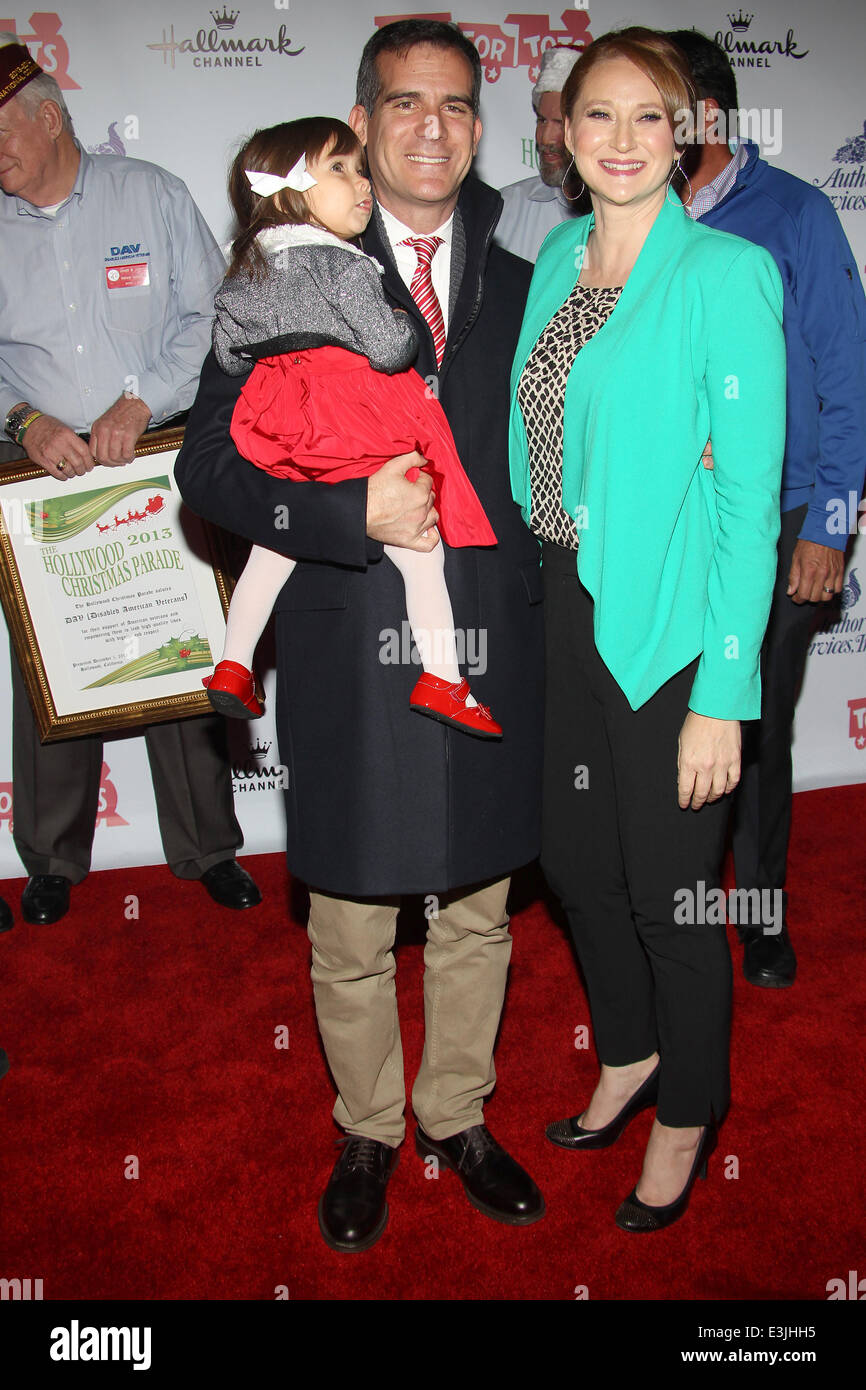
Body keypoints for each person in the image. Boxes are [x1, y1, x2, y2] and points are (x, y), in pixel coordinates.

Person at [176, 19, 545, 1252]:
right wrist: (341, 512)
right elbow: (211, 469)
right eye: (402, 104)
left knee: (479, 908)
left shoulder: (525, 265)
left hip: (481, 630)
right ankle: (369, 1126)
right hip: (340, 632)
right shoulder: (288, 266)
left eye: (453, 104)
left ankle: (457, 1112)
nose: (430, 126)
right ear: (361, 120)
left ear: (479, 124)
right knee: (347, 924)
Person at [510, 27, 786, 1230]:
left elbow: (745, 496)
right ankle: (624, 1050)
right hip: (555, 607)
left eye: (646, 118)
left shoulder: (724, 274)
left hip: (668, 625)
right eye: (596, 117)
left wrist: (724, 690)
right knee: (573, 865)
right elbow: (536, 429)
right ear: (563, 138)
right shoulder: (554, 249)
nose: (621, 141)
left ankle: (690, 1109)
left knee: (674, 891)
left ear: (684, 136)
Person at [0, 35, 261, 923]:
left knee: (183, 649)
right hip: (36, 473)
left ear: (49, 117)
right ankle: (51, 860)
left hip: (160, 455)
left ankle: (207, 846)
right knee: (52, 662)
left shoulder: (148, 193)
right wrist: (23, 421)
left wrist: (138, 401)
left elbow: (212, 313)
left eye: (1, 126)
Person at [666, 28, 866, 989]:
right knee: (670, 711)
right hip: (668, 517)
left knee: (752, 720)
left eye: (657, 104)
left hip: (779, 515)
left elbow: (845, 371)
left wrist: (831, 520)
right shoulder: (640, 216)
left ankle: (759, 913)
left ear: (704, 113)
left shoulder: (795, 213)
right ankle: (678, 900)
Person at [204, 117, 501, 739]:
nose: (361, 182)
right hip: (352, 423)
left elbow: (230, 354)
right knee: (423, 553)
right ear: (289, 189)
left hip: (280, 427)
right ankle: (445, 677)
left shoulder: (247, 268)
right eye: (339, 169)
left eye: (360, 168)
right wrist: (397, 320)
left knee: (273, 547)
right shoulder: (342, 264)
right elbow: (393, 350)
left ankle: (233, 663)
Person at [495, 45, 583, 262]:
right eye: (542, 120)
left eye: (560, 123)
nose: (545, 138)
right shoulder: (503, 208)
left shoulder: (629, 215)